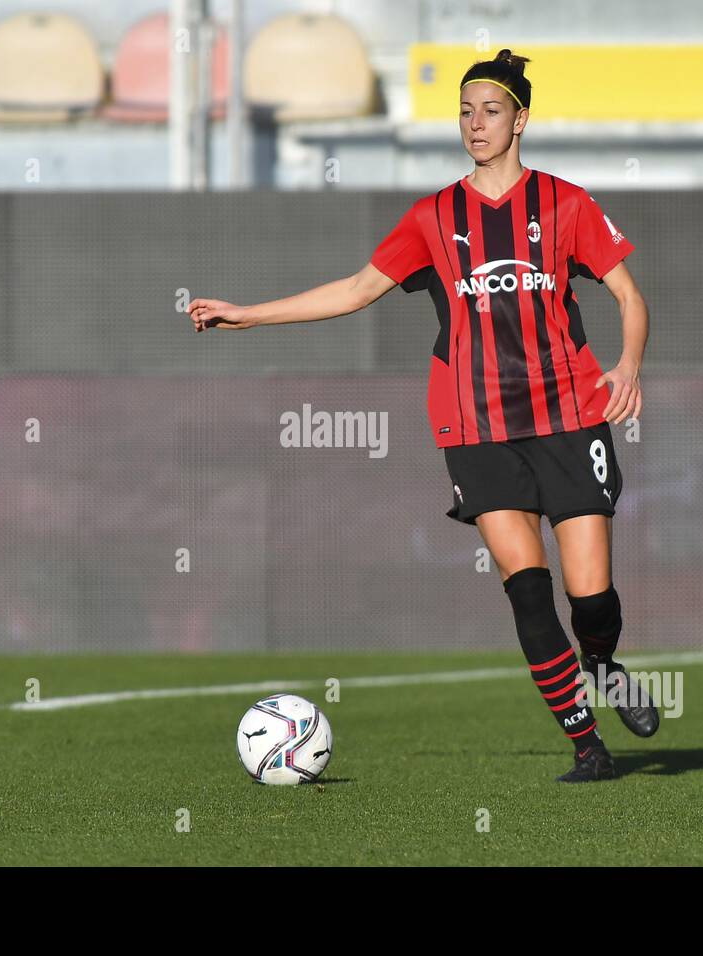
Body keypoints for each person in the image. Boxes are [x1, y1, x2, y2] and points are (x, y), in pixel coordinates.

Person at [190, 48, 657, 782]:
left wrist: (627, 366)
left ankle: (601, 660)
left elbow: (630, 296)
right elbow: (353, 289)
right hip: (476, 428)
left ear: (521, 119)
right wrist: (249, 314)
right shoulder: (435, 216)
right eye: (466, 110)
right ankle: (586, 745)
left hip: (569, 415)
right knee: (527, 589)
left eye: (491, 110)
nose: (476, 123)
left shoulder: (563, 204)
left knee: (589, 592)